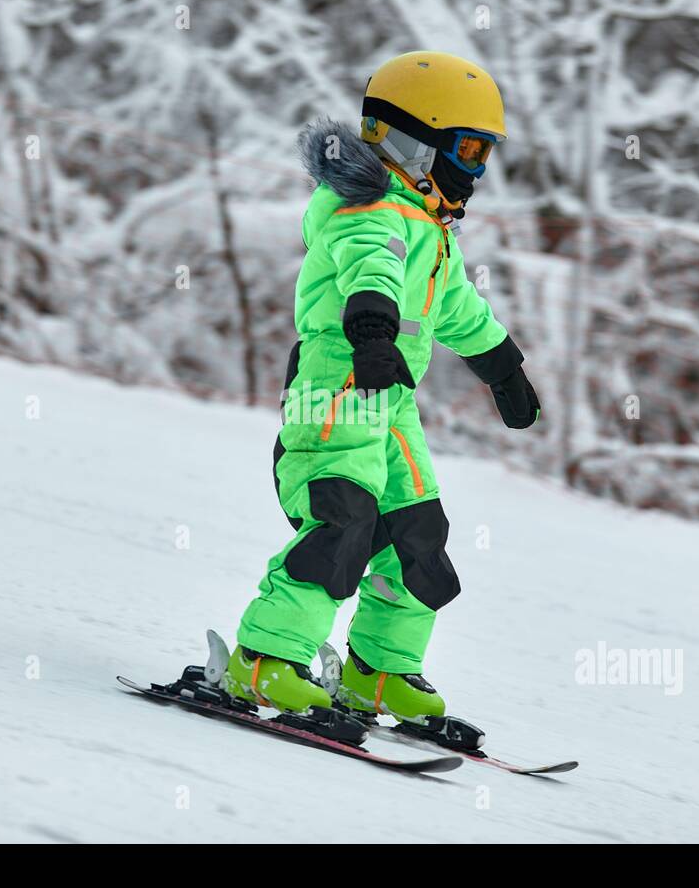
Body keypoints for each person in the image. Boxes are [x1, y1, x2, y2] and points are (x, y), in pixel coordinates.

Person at [222, 51, 540, 723]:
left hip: (389, 399)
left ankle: (378, 669)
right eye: (469, 149)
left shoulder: (431, 228)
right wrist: (371, 333)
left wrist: (501, 368)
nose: (477, 171)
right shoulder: (364, 210)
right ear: (415, 142)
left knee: (416, 534)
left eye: (486, 154)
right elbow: (373, 269)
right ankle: (263, 660)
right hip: (336, 386)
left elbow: (457, 308)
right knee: (345, 521)